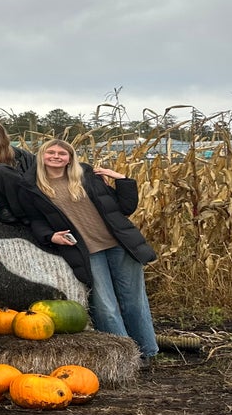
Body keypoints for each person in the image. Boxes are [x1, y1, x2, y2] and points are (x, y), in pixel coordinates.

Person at [17, 139, 159, 360]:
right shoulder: (32, 186)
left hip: (119, 244)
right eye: (51, 152)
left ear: (70, 157)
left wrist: (121, 180)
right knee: (105, 306)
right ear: (41, 156)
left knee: (134, 301)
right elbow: (34, 219)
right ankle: (125, 357)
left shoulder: (85, 176)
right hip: (86, 250)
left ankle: (148, 352)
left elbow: (124, 207)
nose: (56, 156)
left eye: (62, 153)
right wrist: (50, 236)